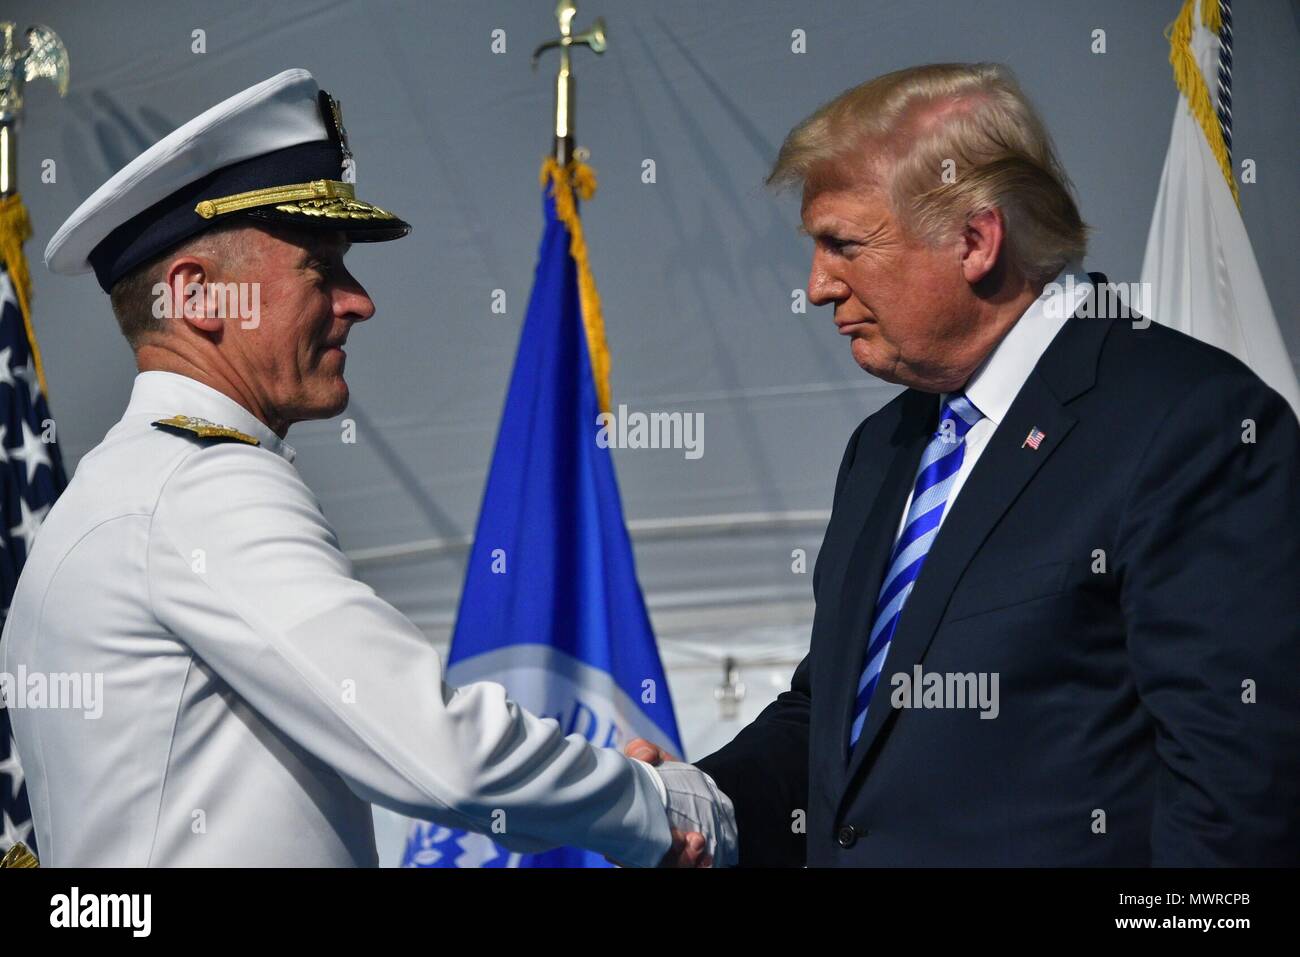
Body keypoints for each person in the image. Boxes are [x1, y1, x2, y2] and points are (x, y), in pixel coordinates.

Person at [0, 69, 735, 867]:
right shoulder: (200, 483)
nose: (360, 301)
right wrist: (657, 807)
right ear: (198, 298)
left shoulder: (115, 491)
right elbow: (437, 750)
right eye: (321, 266)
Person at [629, 61, 1300, 866]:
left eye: (842, 243)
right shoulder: (884, 448)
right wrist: (694, 799)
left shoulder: (1190, 422)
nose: (814, 286)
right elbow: (837, 720)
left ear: (976, 240)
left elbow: (1236, 792)